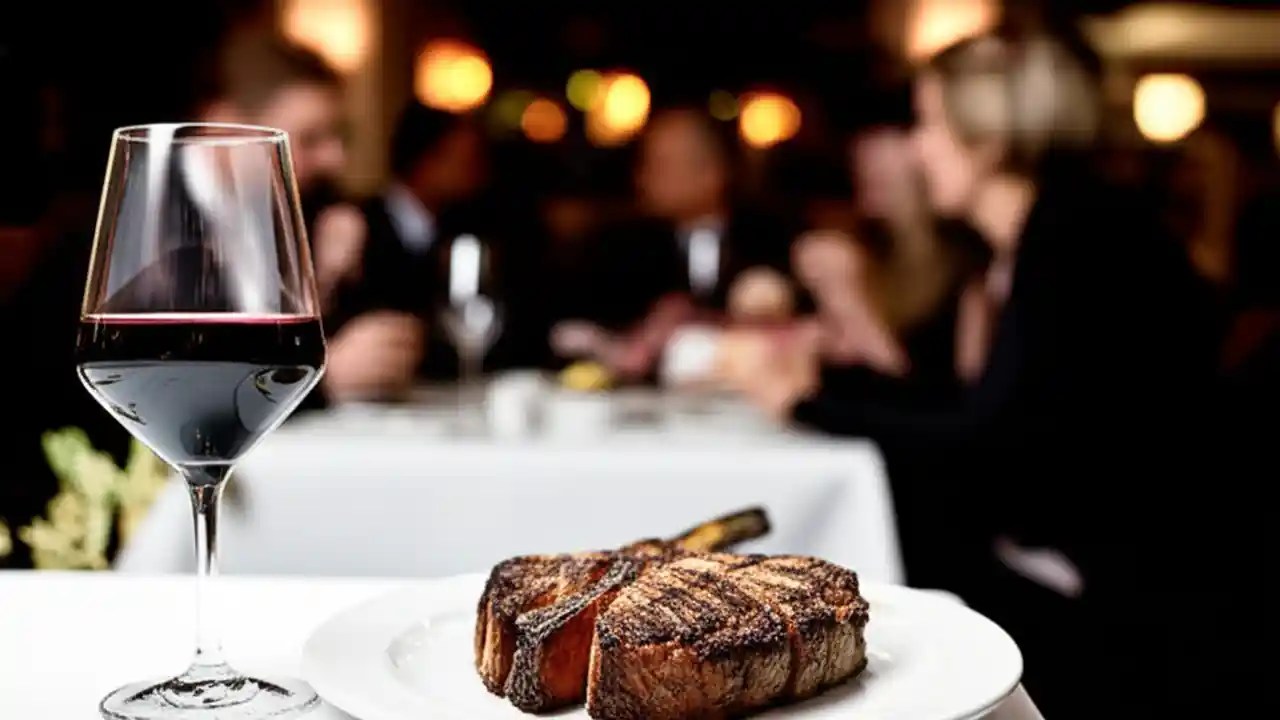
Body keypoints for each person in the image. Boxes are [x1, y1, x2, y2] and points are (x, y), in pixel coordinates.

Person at [728, 28, 1218, 716]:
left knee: (863, 593)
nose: (918, 149)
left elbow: (992, 445)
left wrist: (811, 404)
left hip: (1132, 595)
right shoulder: (1045, 236)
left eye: (928, 124)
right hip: (1089, 553)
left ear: (986, 139)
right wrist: (822, 391)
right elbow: (973, 410)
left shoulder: (1080, 242)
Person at [554, 107, 795, 381]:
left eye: (661, 165)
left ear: (713, 172)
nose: (643, 178)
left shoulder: (771, 238)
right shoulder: (616, 247)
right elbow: (579, 327)